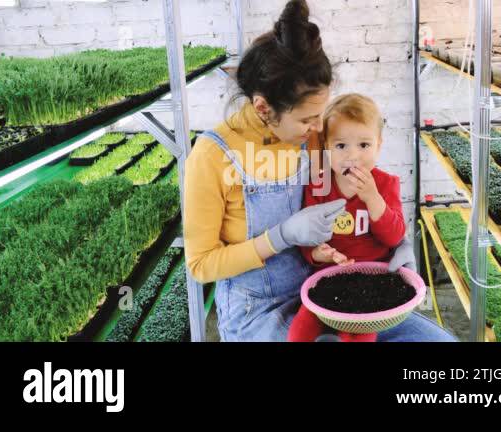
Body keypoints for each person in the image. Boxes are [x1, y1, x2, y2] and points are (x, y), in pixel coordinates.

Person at [183, 0, 456, 342]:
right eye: (306, 119)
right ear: (263, 108)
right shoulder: (211, 156)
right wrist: (279, 237)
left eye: (320, 115)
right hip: (258, 310)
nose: (317, 128)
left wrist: (396, 243)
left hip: (323, 285)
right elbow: (201, 264)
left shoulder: (307, 138)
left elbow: (355, 194)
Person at [288, 94, 406, 342]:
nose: (353, 156)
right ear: (326, 148)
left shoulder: (385, 184)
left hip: (373, 278)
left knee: (359, 335)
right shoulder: (319, 185)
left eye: (364, 145)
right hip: (329, 277)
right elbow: (307, 236)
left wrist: (373, 198)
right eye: (341, 146)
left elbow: (394, 237)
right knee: (300, 330)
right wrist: (319, 254)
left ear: (379, 145)